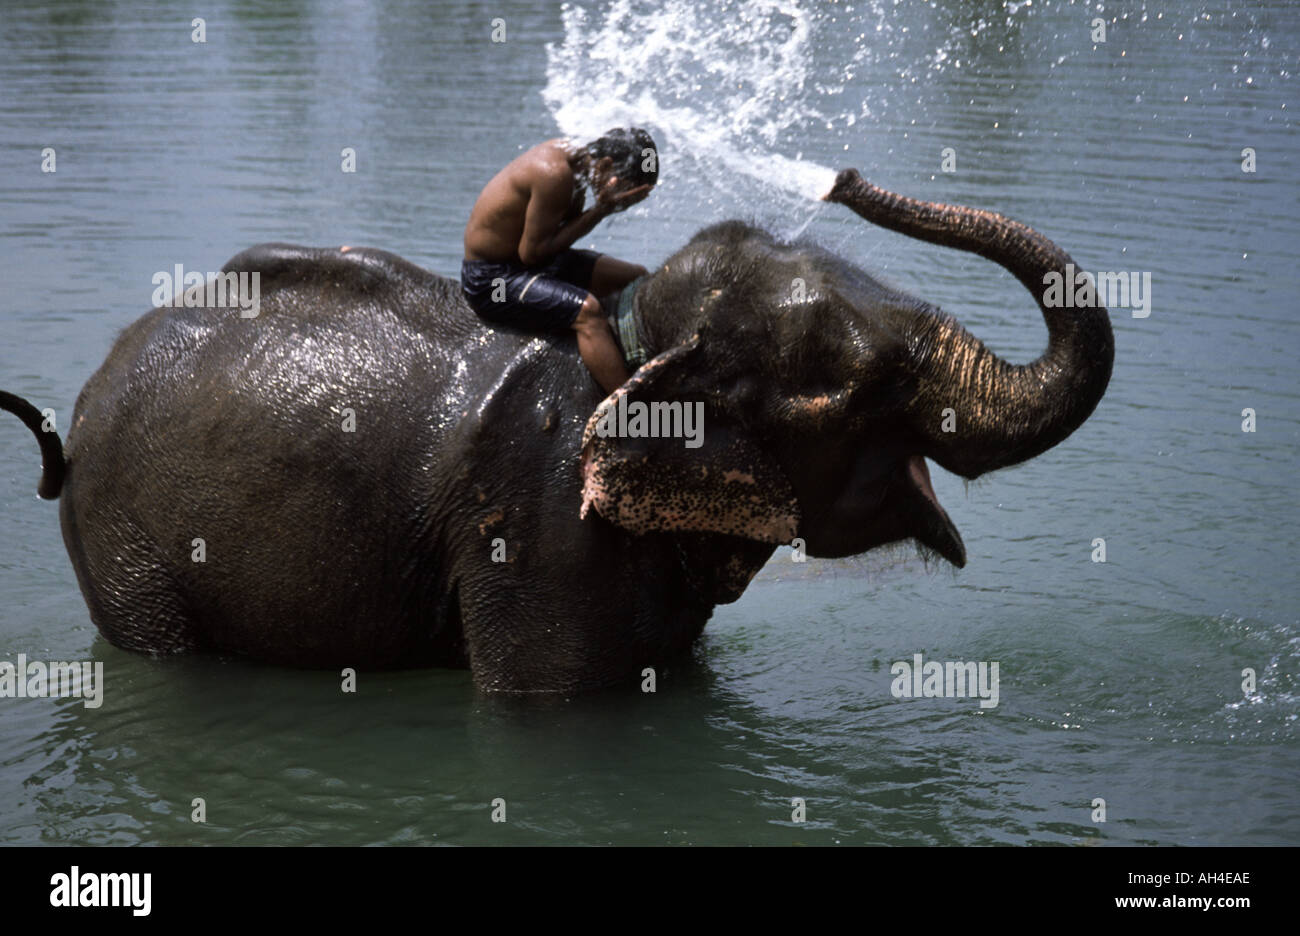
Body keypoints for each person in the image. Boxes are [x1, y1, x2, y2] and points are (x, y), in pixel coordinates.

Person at [461, 128, 658, 393]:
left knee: (637, 277)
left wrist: (601, 208)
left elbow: (553, 239)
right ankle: (629, 410)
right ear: (607, 165)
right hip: (492, 280)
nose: (622, 204)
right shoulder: (554, 174)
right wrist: (601, 210)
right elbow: (531, 254)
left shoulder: (579, 162)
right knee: (588, 312)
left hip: (537, 264)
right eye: (624, 192)